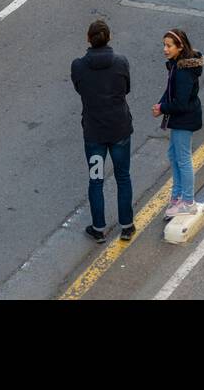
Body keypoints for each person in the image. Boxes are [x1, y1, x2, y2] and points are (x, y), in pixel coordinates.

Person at [71, 19, 135, 243]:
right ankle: (126, 225)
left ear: (89, 39)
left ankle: (98, 228)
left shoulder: (78, 66)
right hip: (119, 129)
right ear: (109, 38)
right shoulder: (120, 62)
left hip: (94, 132)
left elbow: (79, 89)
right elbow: (126, 88)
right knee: (123, 177)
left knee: (96, 180)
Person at [152, 29, 203, 219]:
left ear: (180, 47)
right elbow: (170, 90)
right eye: (164, 45)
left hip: (184, 119)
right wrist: (161, 105)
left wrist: (163, 108)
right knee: (174, 155)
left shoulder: (182, 72)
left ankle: (187, 201)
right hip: (182, 118)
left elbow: (180, 102)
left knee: (182, 158)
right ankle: (178, 195)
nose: (165, 49)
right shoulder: (177, 65)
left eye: (169, 46)